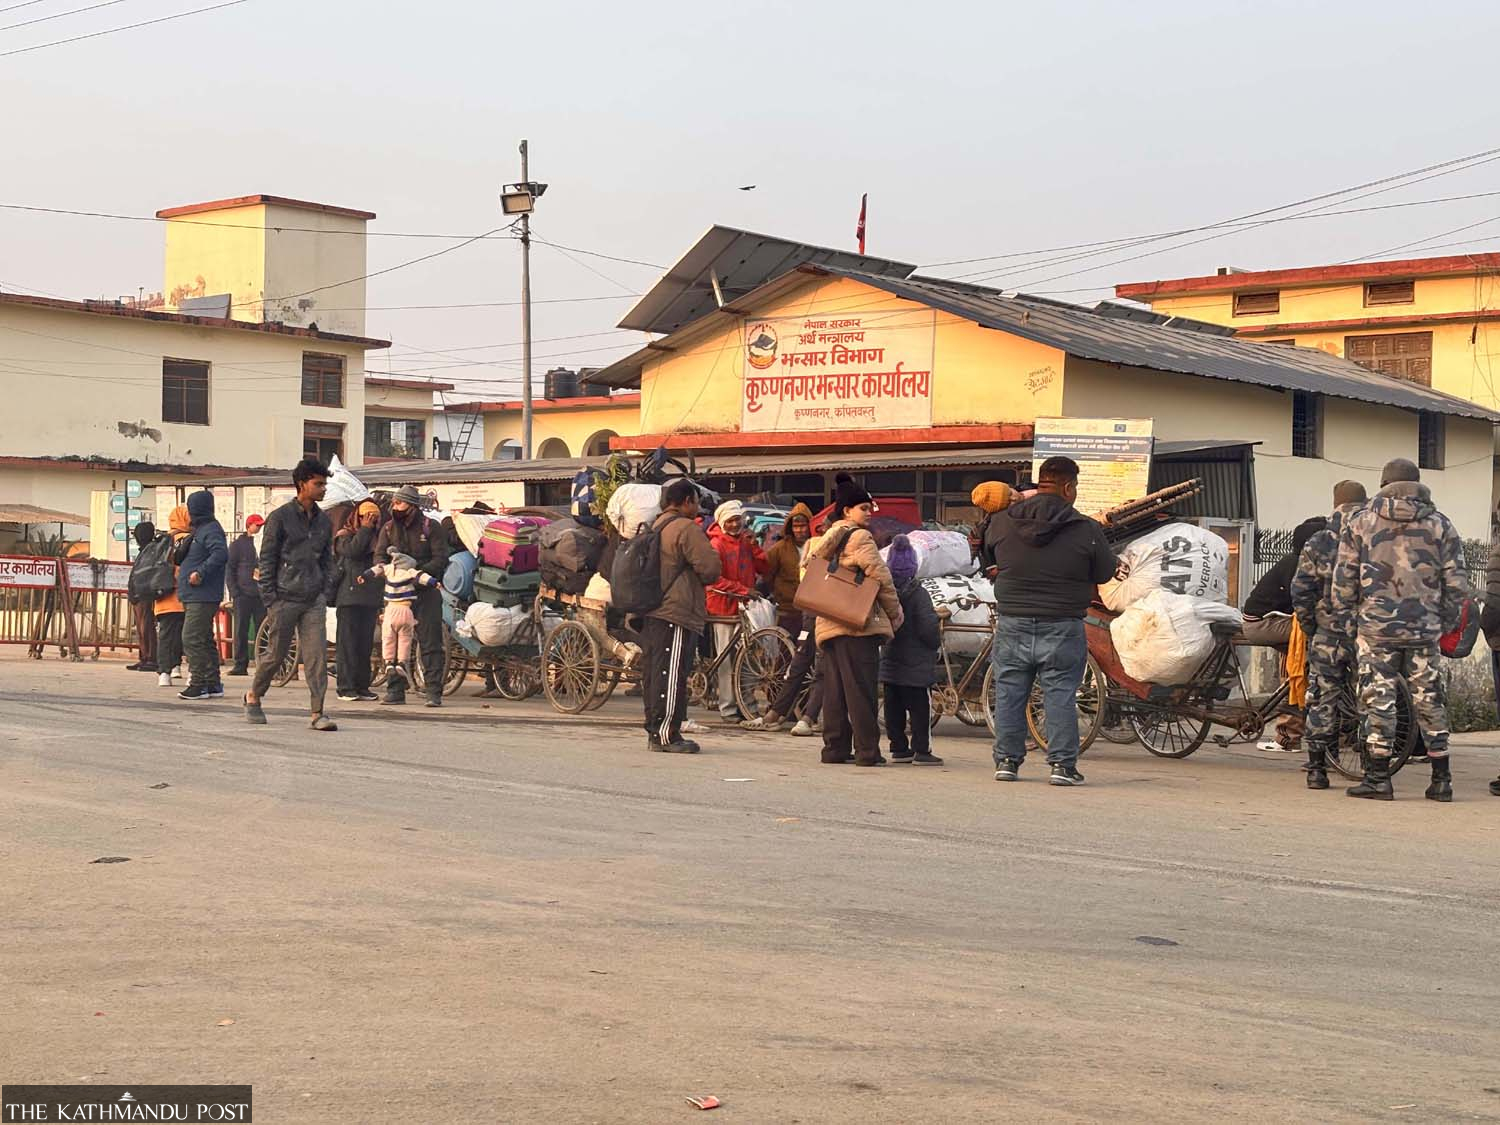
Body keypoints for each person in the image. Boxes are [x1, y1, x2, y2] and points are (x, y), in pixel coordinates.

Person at [1331, 457, 1467, 801]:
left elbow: (1343, 580)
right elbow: (1457, 584)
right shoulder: (1441, 525)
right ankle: (1441, 779)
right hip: (1424, 630)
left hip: (1376, 629)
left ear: (1383, 484)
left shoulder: (1360, 522)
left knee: (1379, 700)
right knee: (1429, 699)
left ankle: (1378, 777)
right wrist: (1443, 623)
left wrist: (1349, 624)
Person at [986, 456, 1118, 786]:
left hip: (1013, 619)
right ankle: (1062, 767)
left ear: (1041, 481)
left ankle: (1006, 761)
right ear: (1069, 487)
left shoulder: (1002, 521)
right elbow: (1105, 572)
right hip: (1062, 623)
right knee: (1059, 693)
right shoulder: (1086, 528)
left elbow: (989, 558)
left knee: (1010, 690)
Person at [809, 474, 902, 767]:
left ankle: (834, 749)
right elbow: (880, 577)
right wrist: (894, 611)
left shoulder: (826, 537)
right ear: (847, 510)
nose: (869, 512)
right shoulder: (860, 537)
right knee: (861, 689)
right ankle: (867, 751)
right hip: (856, 621)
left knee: (835, 689)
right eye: (863, 508)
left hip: (829, 619)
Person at [245, 458, 338, 731]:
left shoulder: (323, 521)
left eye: (324, 484)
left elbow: (327, 559)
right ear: (302, 484)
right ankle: (253, 697)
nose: (323, 489)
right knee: (275, 655)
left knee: (316, 657)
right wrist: (271, 600)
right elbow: (267, 560)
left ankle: (317, 712)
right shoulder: (280, 518)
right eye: (318, 484)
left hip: (313, 600)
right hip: (284, 598)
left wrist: (325, 589)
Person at [1290, 480, 1368, 789]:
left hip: (1329, 633)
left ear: (1335, 504)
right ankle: (1374, 765)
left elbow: (1302, 590)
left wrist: (1311, 627)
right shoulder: (1375, 536)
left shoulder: (1319, 541)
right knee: (1371, 695)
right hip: (1368, 632)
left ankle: (1317, 769)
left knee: (1323, 697)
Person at [641, 478, 723, 753]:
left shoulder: (655, 524)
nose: (697, 508)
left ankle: (656, 730)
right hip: (675, 610)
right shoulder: (685, 528)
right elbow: (710, 568)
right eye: (696, 501)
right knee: (671, 672)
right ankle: (666, 734)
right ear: (687, 501)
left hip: (652, 608)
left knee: (655, 672)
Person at [1241, 515, 1328, 751]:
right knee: (1300, 659)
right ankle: (1287, 735)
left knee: (1307, 656)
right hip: (1261, 624)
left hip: (1281, 620)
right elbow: (1304, 604)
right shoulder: (1297, 564)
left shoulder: (1311, 562)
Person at [375, 484, 451, 707]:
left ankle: (433, 691)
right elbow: (378, 558)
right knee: (393, 643)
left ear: (412, 506)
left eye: (399, 503)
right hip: (397, 597)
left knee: (431, 642)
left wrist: (416, 571)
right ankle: (395, 690)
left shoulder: (432, 528)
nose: (395, 507)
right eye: (394, 503)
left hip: (425, 593)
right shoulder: (388, 529)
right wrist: (390, 571)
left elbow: (441, 559)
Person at [704, 500, 770, 722]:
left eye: (737, 520)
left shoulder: (745, 542)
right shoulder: (716, 545)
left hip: (745, 607)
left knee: (748, 657)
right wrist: (742, 590)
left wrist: (754, 546)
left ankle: (746, 704)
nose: (735, 524)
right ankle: (729, 708)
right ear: (723, 523)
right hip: (723, 608)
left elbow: (764, 567)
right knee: (727, 661)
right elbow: (714, 580)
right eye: (730, 521)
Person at [880, 534, 943, 765]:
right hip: (916, 665)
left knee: (892, 706)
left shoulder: (884, 591)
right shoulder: (919, 594)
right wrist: (935, 642)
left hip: (890, 660)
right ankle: (922, 750)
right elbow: (928, 628)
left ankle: (898, 748)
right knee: (919, 709)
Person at [358, 548, 436, 699]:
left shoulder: (388, 569)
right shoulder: (410, 572)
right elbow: (423, 577)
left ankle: (388, 663)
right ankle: (401, 663)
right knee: (405, 639)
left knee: (388, 639)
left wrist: (364, 576)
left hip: (390, 611)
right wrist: (435, 583)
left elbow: (376, 569)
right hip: (406, 611)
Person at [176, 489, 229, 700]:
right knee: (205, 639)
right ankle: (212, 682)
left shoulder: (210, 530)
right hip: (196, 594)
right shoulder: (202, 530)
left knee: (191, 638)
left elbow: (220, 553)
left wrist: (200, 572)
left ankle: (198, 682)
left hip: (202, 594)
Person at [334, 501, 382, 702]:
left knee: (364, 645)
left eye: (374, 518)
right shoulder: (344, 536)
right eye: (366, 517)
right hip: (349, 597)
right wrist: (364, 530)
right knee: (348, 644)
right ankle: (345, 687)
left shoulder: (377, 537)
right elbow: (353, 551)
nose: (370, 521)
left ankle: (363, 686)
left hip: (370, 597)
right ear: (357, 517)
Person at [153, 505, 191, 688]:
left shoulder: (162, 540)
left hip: (162, 597)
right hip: (183, 596)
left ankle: (165, 673)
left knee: (166, 637)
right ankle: (185, 669)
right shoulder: (188, 540)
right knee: (188, 635)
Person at [763, 503, 813, 637]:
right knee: (785, 649)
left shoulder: (817, 546)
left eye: (803, 526)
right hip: (787, 610)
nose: (799, 530)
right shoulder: (779, 549)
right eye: (795, 527)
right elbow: (767, 574)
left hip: (811, 610)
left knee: (805, 647)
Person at [226, 513, 266, 676]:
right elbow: (230, 568)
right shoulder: (237, 545)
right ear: (249, 526)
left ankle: (262, 663)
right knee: (241, 629)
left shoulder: (264, 543)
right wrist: (234, 591)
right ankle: (240, 664)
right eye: (256, 525)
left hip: (260, 593)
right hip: (242, 593)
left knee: (262, 630)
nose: (259, 528)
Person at [125, 520, 158, 672]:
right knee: (141, 627)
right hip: (139, 594)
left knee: (146, 627)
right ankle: (144, 657)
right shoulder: (145, 551)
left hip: (144, 594)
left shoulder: (150, 551)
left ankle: (150, 658)